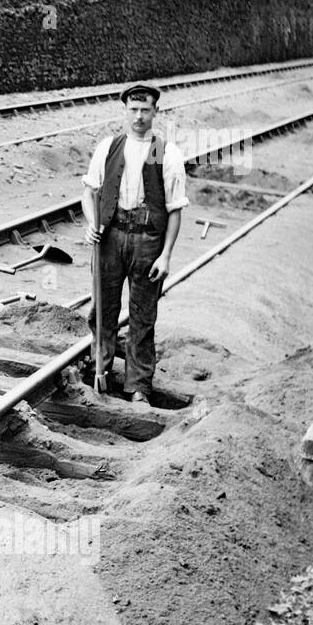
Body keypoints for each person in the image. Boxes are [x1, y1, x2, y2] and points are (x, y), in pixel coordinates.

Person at [80, 82, 188, 403]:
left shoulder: (164, 151)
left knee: (143, 316)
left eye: (145, 110)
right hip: (111, 236)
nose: (139, 116)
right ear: (124, 110)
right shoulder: (110, 147)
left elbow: (175, 209)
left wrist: (166, 256)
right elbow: (89, 192)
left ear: (156, 111)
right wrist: (92, 224)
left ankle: (138, 386)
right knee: (103, 308)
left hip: (147, 241)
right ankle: (99, 371)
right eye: (134, 110)